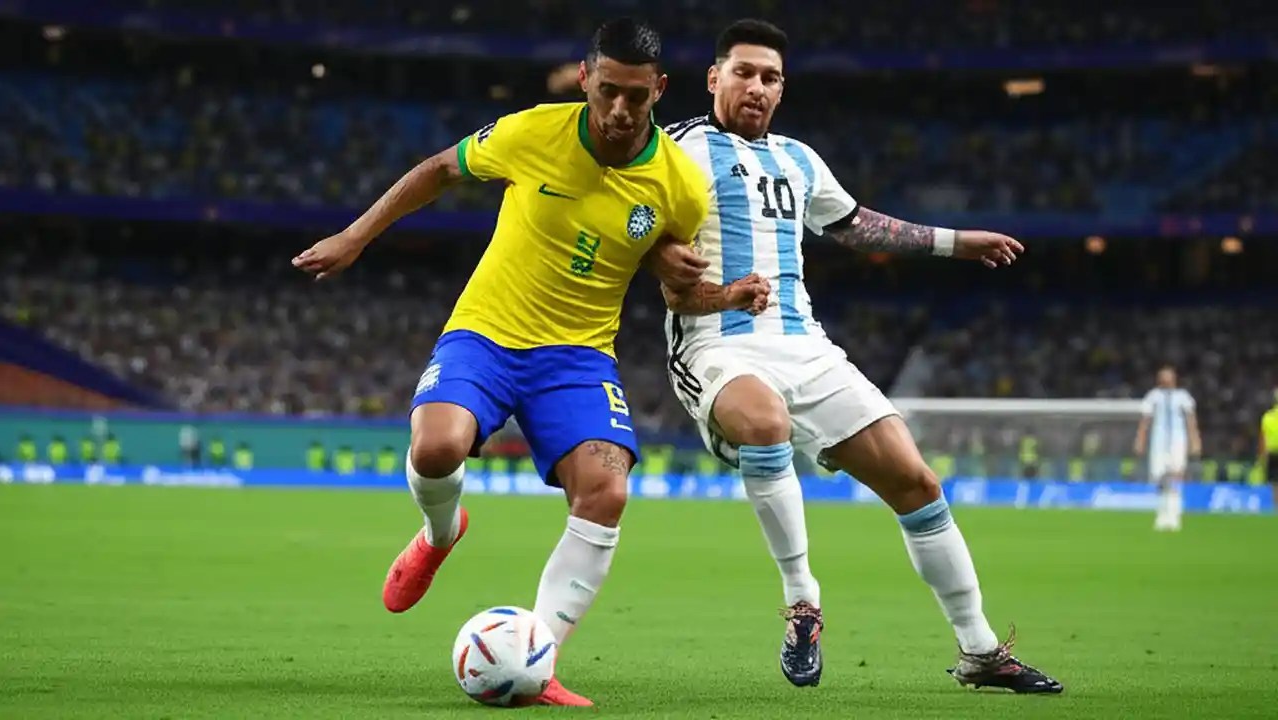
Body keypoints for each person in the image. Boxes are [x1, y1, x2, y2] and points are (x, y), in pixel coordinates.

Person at [292, 18, 769, 706]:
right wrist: (355, 237)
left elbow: (677, 291)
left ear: (659, 90)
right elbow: (438, 170)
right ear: (585, 79)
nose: (620, 110)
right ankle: (440, 530)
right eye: (607, 91)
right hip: (487, 331)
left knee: (607, 490)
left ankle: (535, 661)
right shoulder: (533, 132)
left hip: (576, 357)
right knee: (435, 448)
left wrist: (723, 292)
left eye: (637, 97)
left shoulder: (680, 187)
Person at [662, 19, 1061, 693]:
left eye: (771, 78)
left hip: (807, 347)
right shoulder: (676, 149)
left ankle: (981, 652)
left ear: (783, 89)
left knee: (917, 482)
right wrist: (695, 278)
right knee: (765, 425)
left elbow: (857, 226)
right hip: (717, 346)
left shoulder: (799, 158)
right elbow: (643, 245)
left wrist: (956, 243)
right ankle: (803, 603)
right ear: (713, 77)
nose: (757, 87)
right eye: (744, 72)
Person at [1133, 365, 1200, 532]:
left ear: (1174, 378)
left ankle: (1174, 515)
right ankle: (1162, 514)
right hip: (1159, 441)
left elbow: (1191, 421)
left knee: (1176, 476)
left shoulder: (1183, 396)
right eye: (1162, 377)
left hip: (1178, 440)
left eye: (1168, 376)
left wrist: (1195, 440)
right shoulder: (1153, 396)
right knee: (1160, 478)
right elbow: (1145, 421)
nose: (1165, 380)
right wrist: (1140, 440)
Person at [1259, 386, 1278, 507]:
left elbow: (1263, 440)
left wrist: (1263, 458)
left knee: (1275, 485)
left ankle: (1276, 509)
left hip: (1273, 455)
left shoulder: (1267, 417)